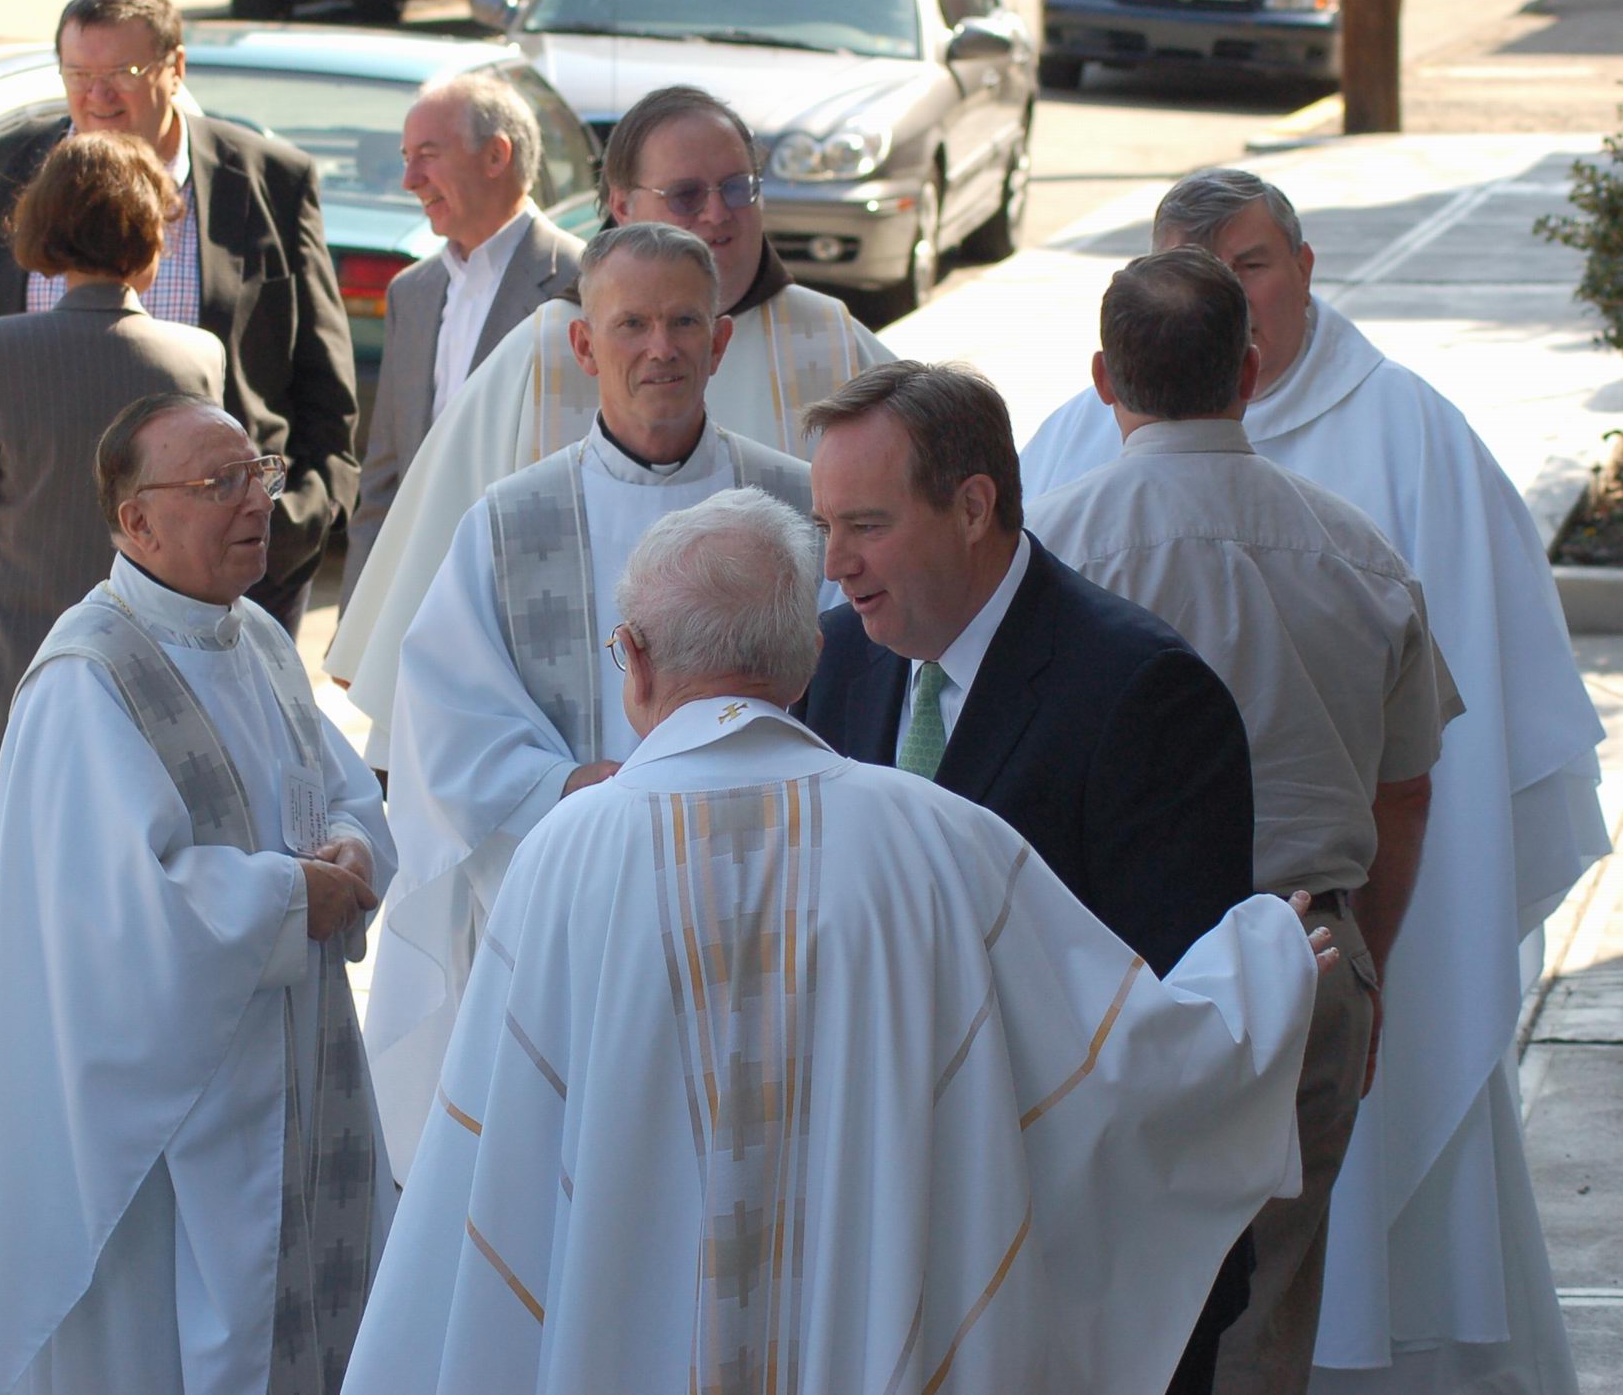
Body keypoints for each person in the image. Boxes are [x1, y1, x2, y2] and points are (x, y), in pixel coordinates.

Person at [343, 486, 1334, 1395]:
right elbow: (1108, 1063)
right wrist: (1257, 972)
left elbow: (498, 1152)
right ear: (809, 658)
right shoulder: (935, 837)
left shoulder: (566, 853)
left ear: (634, 659)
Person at [1019, 170, 1604, 1393]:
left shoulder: (1406, 434)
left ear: (1303, 265)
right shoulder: (1120, 473)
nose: (1231, 293)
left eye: (1248, 263)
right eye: (1195, 266)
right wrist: (1369, 956)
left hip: (1136, 960)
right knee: (1269, 1304)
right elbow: (1411, 781)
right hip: (1313, 947)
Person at [0, 394, 396, 1395]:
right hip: (170, 1106)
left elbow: (335, 781)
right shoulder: (88, 677)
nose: (255, 498)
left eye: (255, 471)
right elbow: (114, 917)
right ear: (137, 522)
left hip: (294, 1058)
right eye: (217, 483)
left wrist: (352, 843)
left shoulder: (256, 639)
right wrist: (280, 897)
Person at [799, 359, 1260, 1393]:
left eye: (864, 525)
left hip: (1076, 1261)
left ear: (972, 506)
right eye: (821, 526)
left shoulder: (1142, 694)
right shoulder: (830, 661)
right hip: (887, 1233)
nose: (834, 562)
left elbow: (1162, 1022)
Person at [366, 222, 833, 1181]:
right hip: (571, 909)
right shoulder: (510, 521)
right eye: (629, 325)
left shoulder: (793, 510)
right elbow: (444, 722)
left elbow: (849, 682)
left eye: (681, 323)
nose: (658, 348)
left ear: (721, 340)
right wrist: (582, 786)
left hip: (761, 901)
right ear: (582, 346)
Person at [326, 83, 892, 766]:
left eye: (737, 188)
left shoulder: (828, 340)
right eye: (687, 195)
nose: (718, 215)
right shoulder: (540, 354)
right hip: (573, 803)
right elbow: (443, 653)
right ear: (622, 206)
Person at [0, 132, 225, 1153]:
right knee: (126, 890)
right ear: (151, 238)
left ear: (41, 233)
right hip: (144, 666)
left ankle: (1, 1101)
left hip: (2, 661)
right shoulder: (194, 357)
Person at [0, 0, 357, 636]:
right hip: (27, 596)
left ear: (176, 69)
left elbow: (324, 387)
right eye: (78, 73)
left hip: (226, 585)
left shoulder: (267, 181)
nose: (97, 94)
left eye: (123, 72)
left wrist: (289, 531)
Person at [340, 72, 585, 610]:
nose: (409, 179)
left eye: (427, 155)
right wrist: (359, 616)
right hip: (420, 603)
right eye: (406, 157)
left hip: (531, 603)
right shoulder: (413, 291)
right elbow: (386, 475)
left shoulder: (583, 281)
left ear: (496, 156)